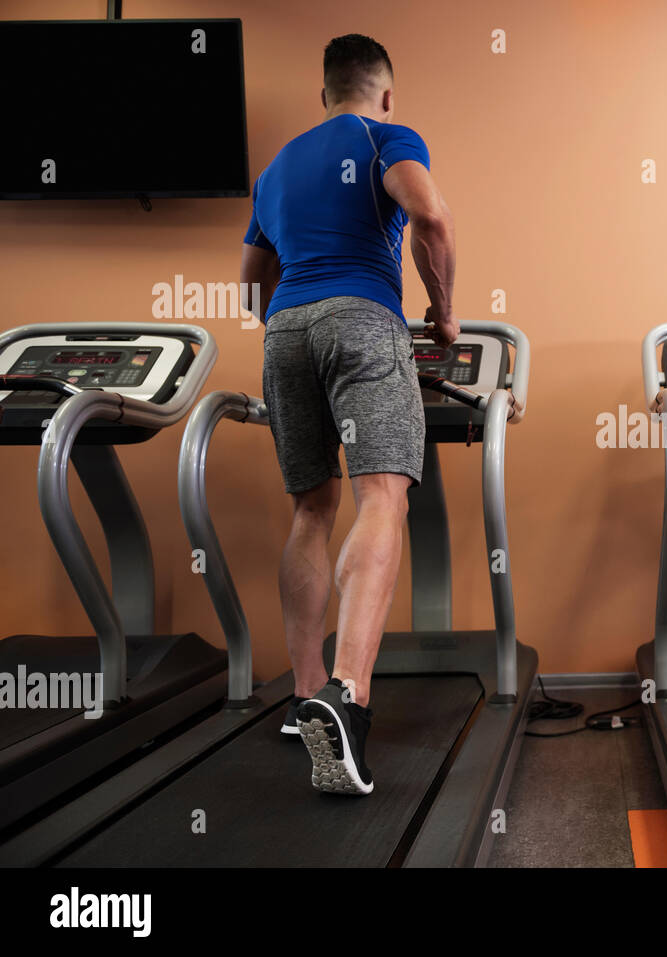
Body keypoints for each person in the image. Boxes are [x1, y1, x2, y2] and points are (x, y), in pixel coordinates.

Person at [239, 34, 456, 795]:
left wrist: (292, 327)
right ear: (384, 93)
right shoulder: (387, 136)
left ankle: (305, 698)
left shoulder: (274, 170)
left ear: (322, 92)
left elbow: (249, 284)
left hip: (284, 331)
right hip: (364, 319)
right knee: (382, 494)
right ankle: (349, 696)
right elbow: (430, 217)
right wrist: (445, 312)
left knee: (311, 508)